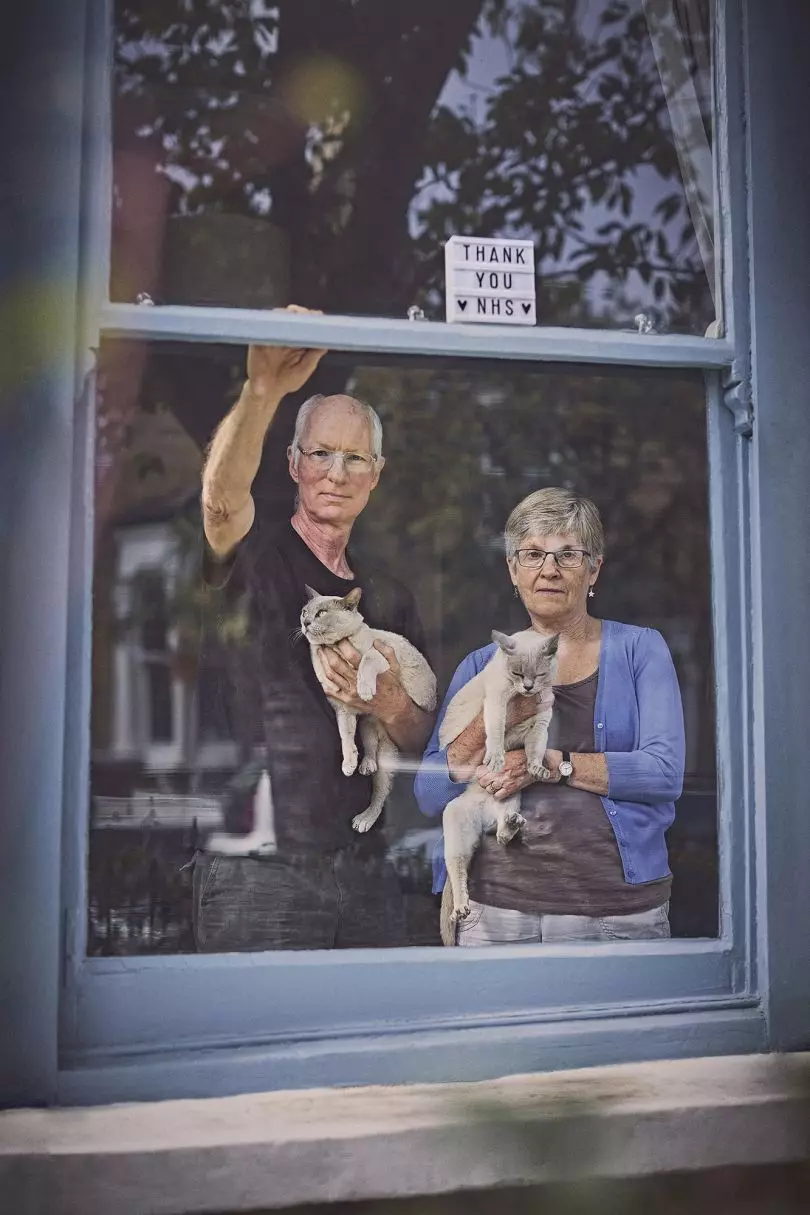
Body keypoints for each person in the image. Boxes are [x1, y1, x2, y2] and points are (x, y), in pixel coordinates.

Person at [195, 307, 435, 950]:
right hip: (263, 864)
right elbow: (220, 503)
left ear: (376, 476)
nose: (337, 472)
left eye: (355, 458)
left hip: (364, 863)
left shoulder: (388, 594)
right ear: (294, 463)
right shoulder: (257, 559)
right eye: (322, 454)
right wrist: (263, 390)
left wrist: (382, 701)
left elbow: (420, 738)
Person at [415, 487, 684, 945]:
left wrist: (552, 766)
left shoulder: (640, 649)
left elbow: (663, 775)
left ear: (594, 568)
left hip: (613, 914)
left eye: (568, 555)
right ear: (512, 571)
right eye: (533, 555)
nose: (549, 570)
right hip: (493, 912)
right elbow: (429, 790)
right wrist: (493, 716)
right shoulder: (483, 666)